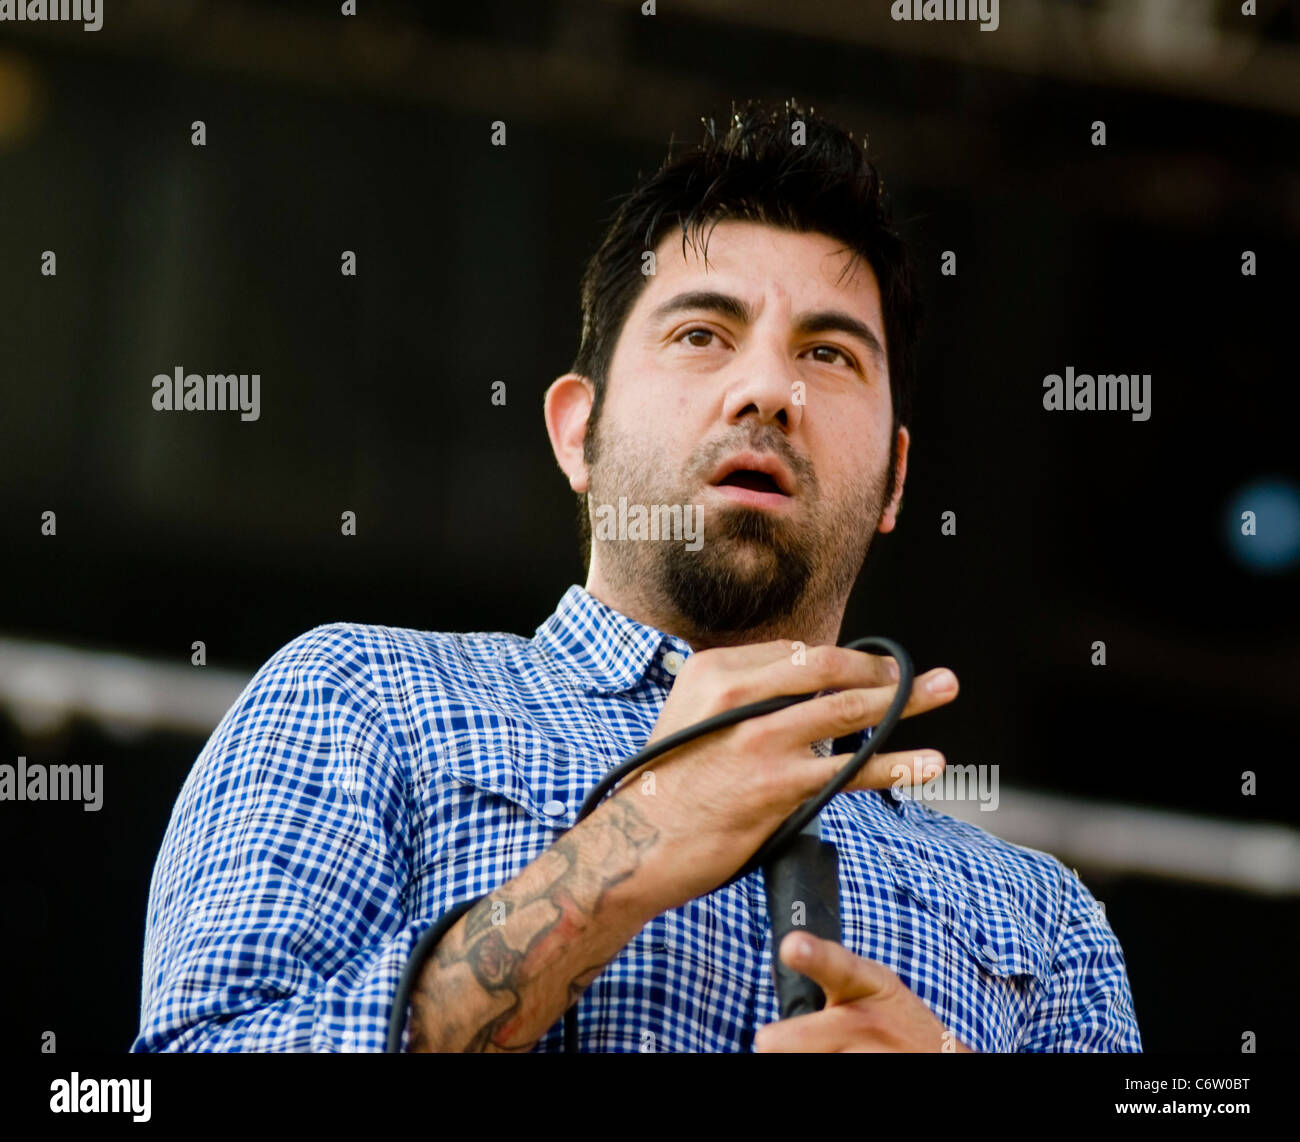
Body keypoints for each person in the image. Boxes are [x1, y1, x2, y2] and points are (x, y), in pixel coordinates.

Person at [132, 98, 1141, 1054]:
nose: (767, 390)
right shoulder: (361, 698)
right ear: (580, 431)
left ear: (896, 476)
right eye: (701, 333)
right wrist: (631, 846)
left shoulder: (1041, 923)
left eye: (829, 354)